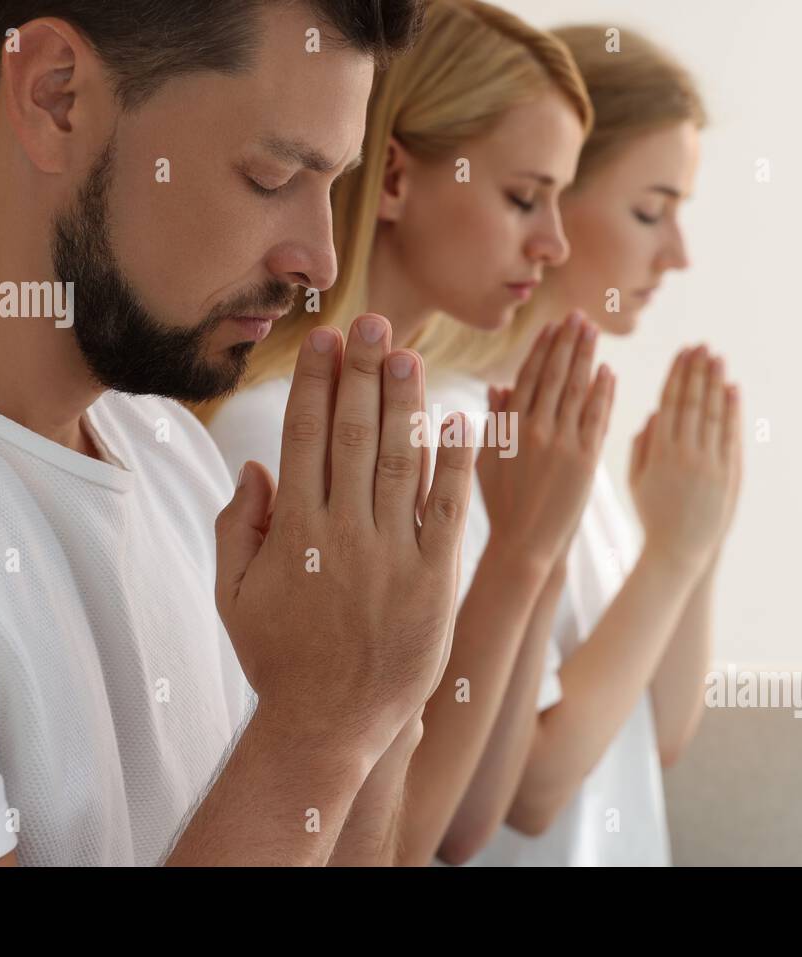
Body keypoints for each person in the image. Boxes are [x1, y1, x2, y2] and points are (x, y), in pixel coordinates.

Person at [0, 0, 477, 867]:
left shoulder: (170, 449)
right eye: (272, 177)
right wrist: (319, 724)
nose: (320, 262)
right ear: (56, 96)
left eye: (334, 186)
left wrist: (379, 695)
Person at [205, 0, 609, 866]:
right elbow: (414, 837)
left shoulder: (435, 420)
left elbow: (475, 815)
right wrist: (521, 555)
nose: (554, 244)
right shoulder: (274, 430)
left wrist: (536, 550)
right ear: (393, 178)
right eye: (524, 197)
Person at [415, 24, 744, 866]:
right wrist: (669, 556)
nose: (677, 254)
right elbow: (531, 785)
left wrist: (697, 539)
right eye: (650, 211)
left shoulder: (562, 445)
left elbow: (657, 732)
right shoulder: (455, 436)